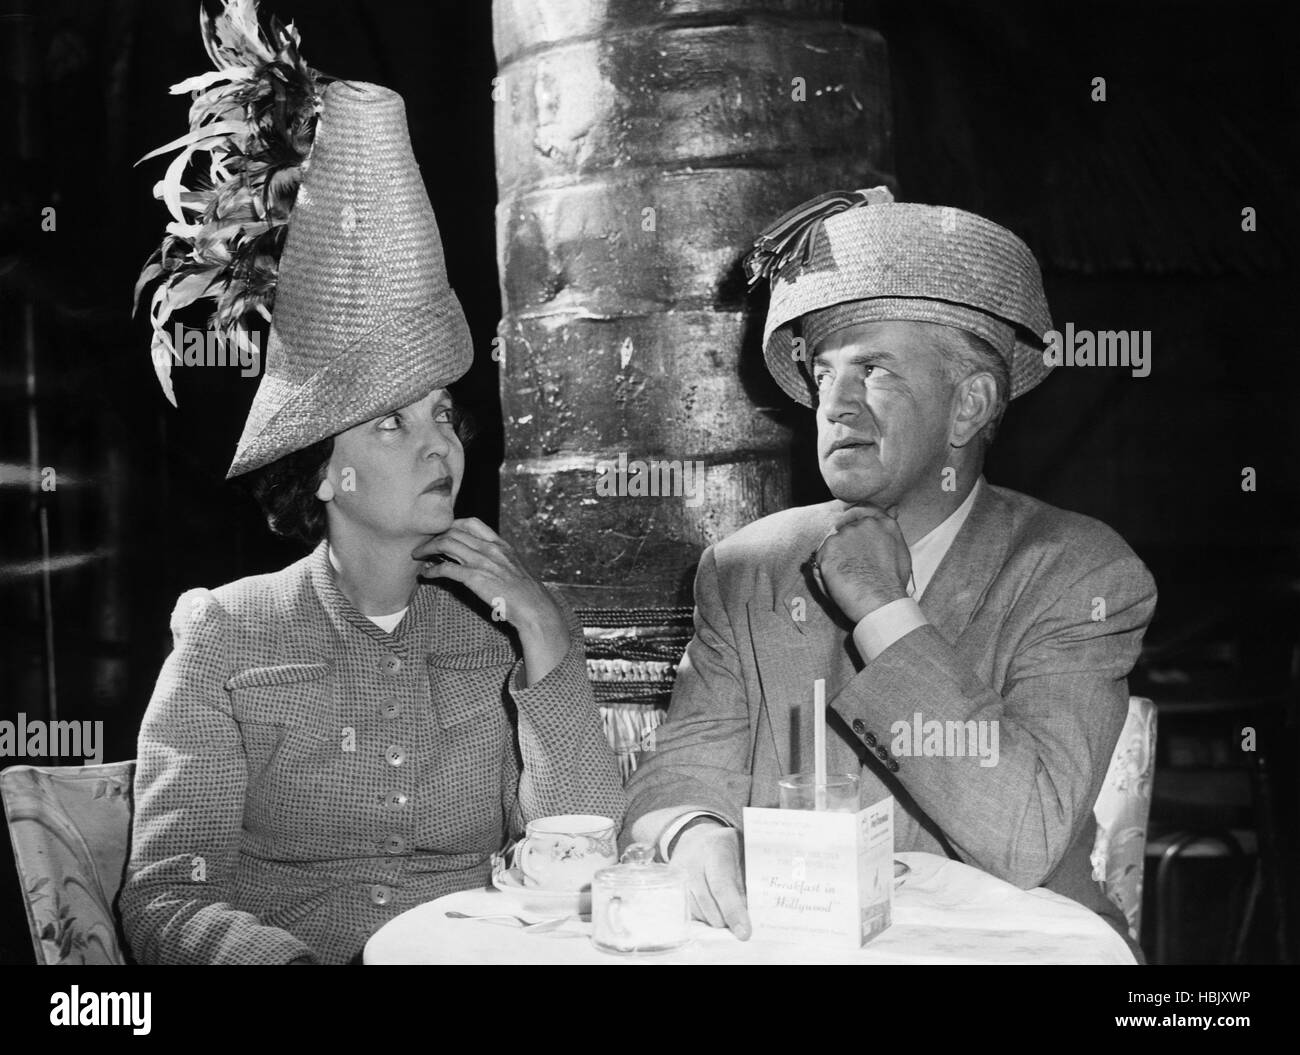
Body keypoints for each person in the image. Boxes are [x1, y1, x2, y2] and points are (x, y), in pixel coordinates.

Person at [120, 19, 623, 965]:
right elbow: (167, 898)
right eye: (393, 421)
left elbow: (584, 858)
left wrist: (549, 640)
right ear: (321, 468)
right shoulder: (226, 632)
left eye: (443, 414)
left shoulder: (495, 626)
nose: (439, 442)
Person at [621, 188, 1156, 950]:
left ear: (969, 406)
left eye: (873, 368)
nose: (833, 404)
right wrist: (694, 832)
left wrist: (881, 609)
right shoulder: (746, 568)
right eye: (822, 373)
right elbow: (675, 778)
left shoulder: (1078, 573)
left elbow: (1026, 834)